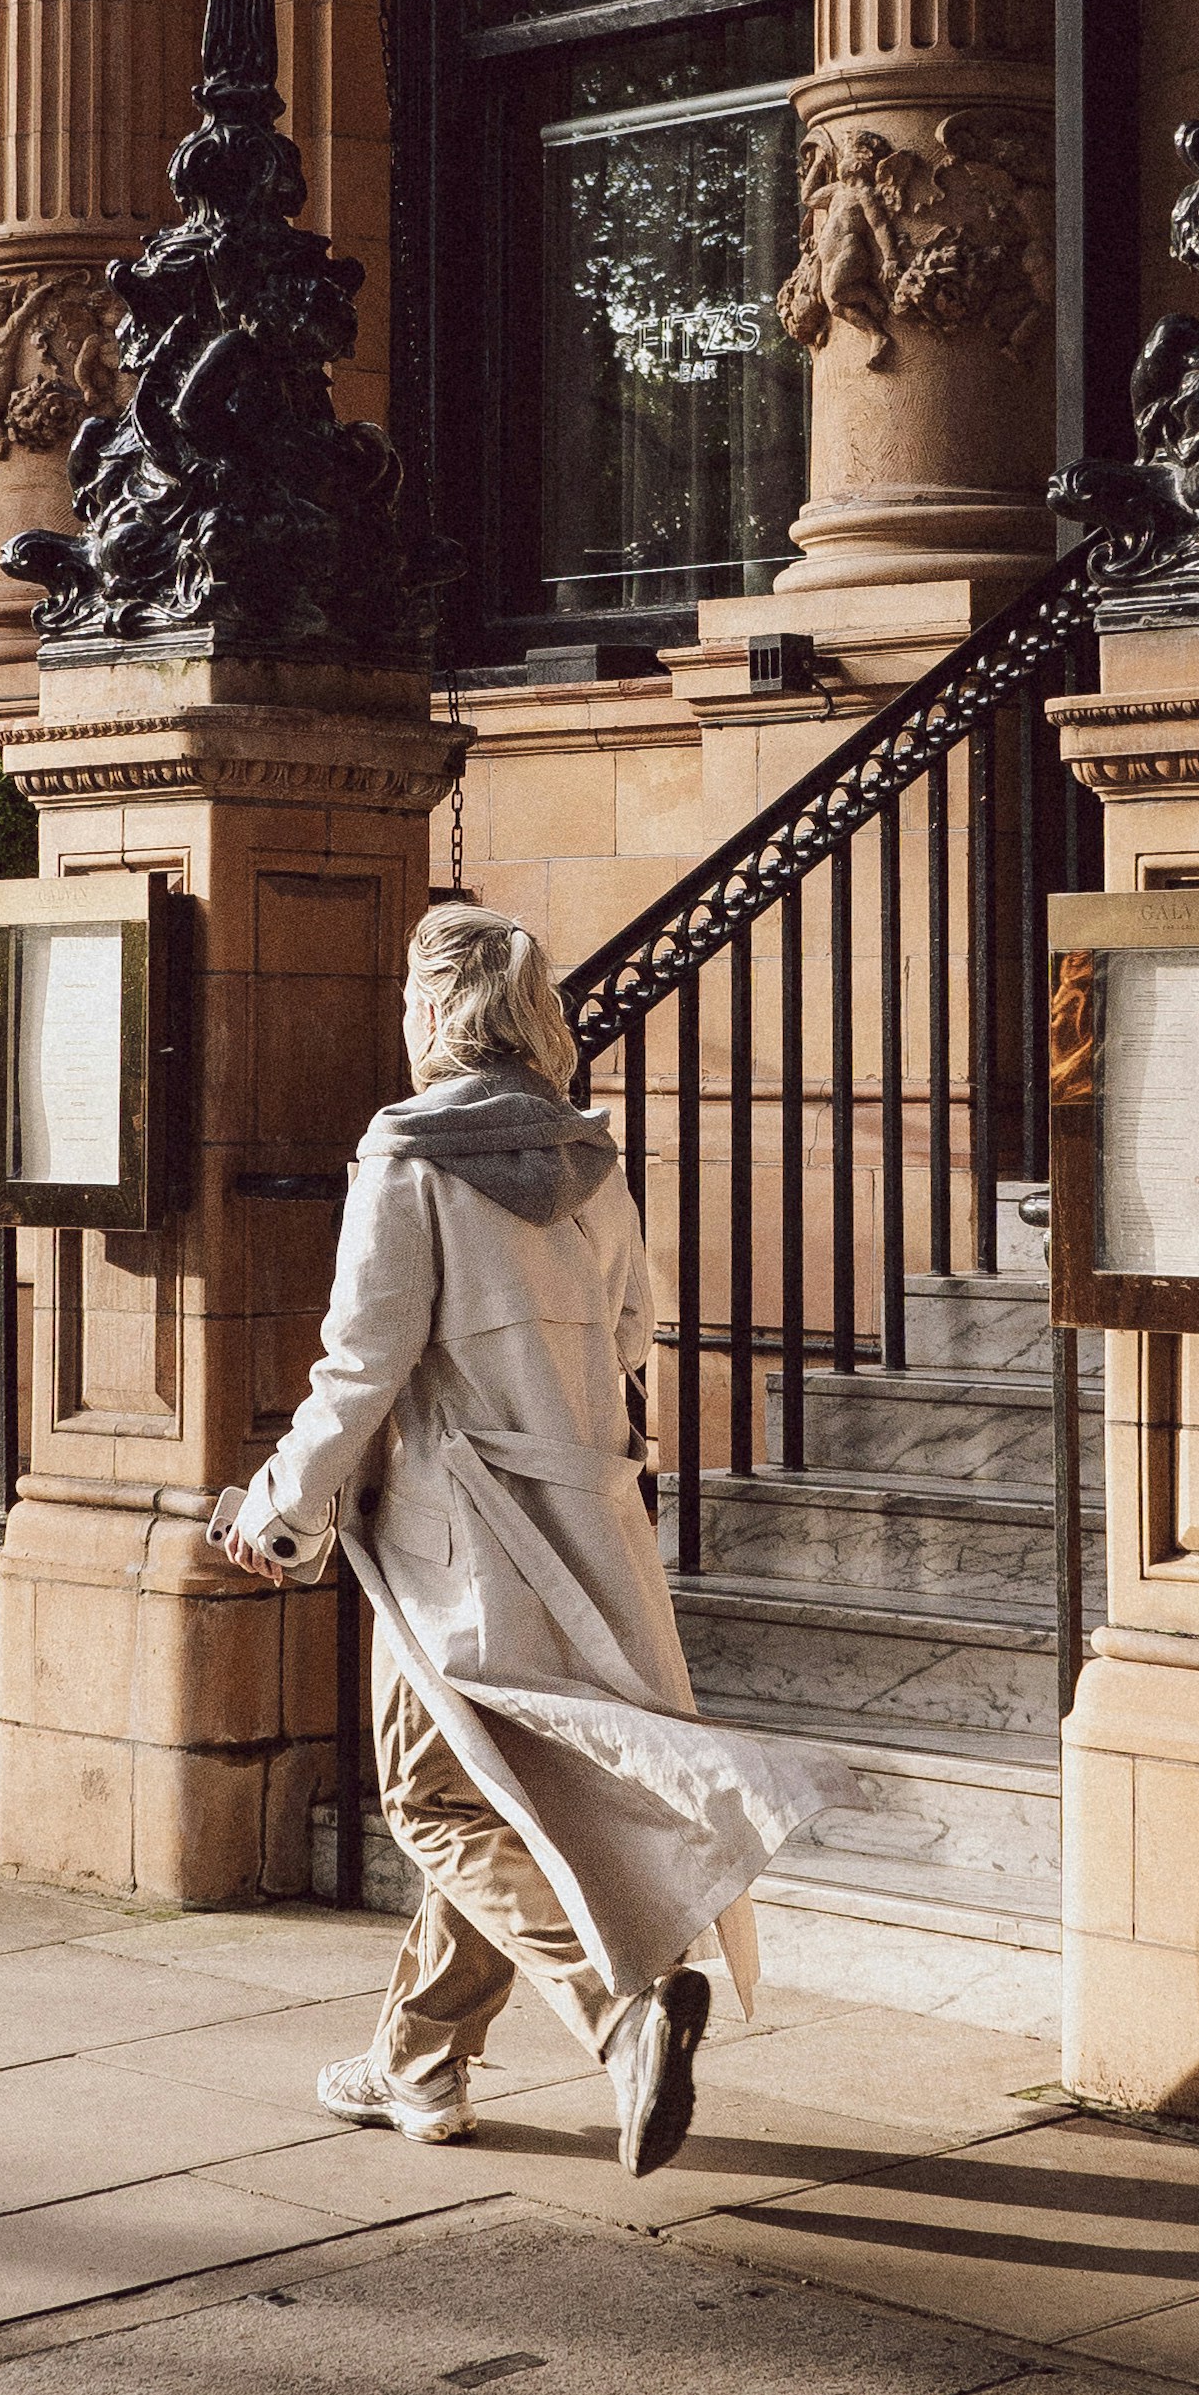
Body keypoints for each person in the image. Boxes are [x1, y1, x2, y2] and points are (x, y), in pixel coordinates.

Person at [217, 901, 849, 2178]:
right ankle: (419, 2059)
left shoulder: (407, 1153)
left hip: (459, 1536)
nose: (402, 1017)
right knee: (501, 1785)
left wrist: (279, 1509)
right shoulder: (590, 1159)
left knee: (432, 1796)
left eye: (410, 996)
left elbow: (362, 1365)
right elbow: (632, 1339)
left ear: (438, 1010)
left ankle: (622, 2010)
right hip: (586, 1517)